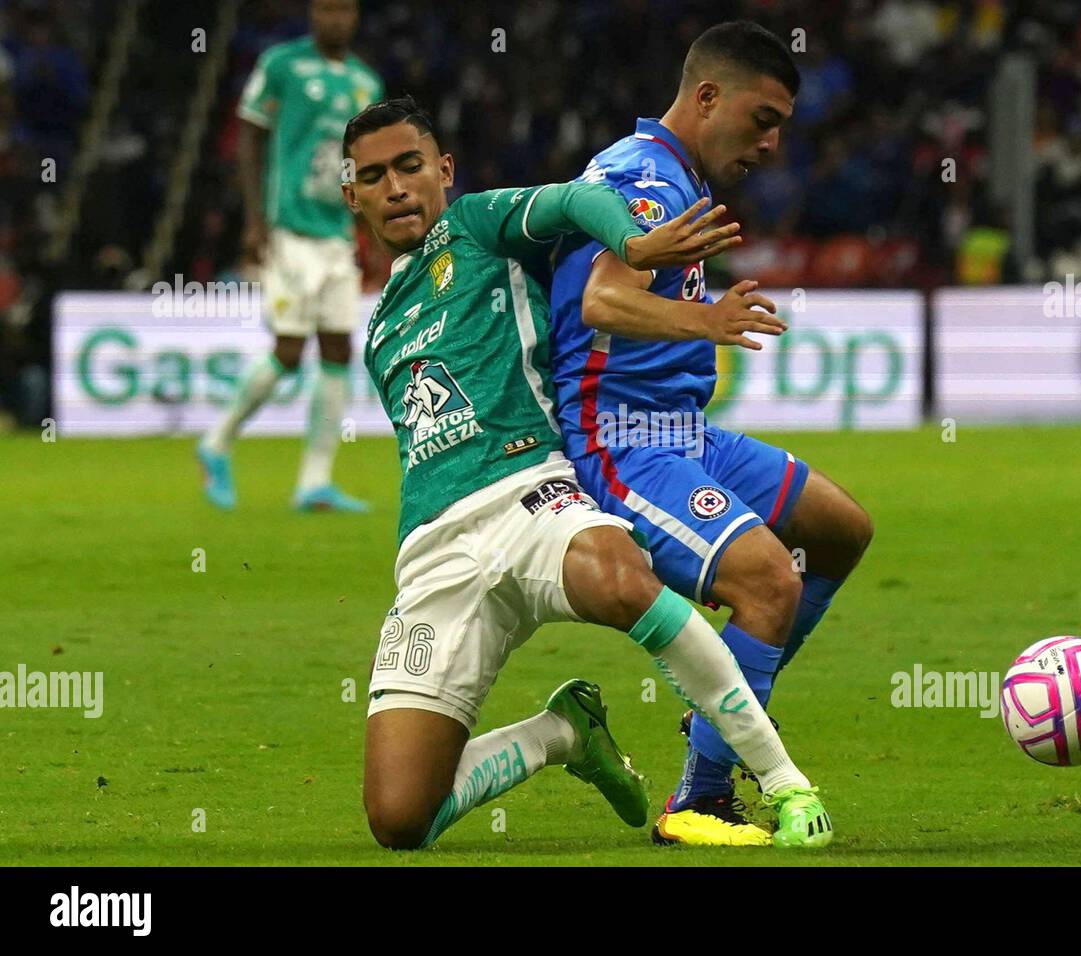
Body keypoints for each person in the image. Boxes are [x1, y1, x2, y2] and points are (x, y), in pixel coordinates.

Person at [342, 96, 833, 850]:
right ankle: (562, 735)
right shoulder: (379, 326)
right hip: (435, 553)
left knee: (621, 577)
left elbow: (578, 199)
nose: (396, 187)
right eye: (374, 177)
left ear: (443, 169)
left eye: (410, 166)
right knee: (400, 818)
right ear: (353, 196)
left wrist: (633, 247)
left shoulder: (478, 225)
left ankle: (785, 784)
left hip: (530, 494)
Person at [550, 21, 874, 846]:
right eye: (761, 120)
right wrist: (708, 317)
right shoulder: (644, 182)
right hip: (620, 442)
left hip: (686, 432)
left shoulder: (672, 175)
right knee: (769, 584)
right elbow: (603, 301)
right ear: (706, 97)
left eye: (781, 128)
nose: (771, 144)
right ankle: (700, 796)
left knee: (838, 531)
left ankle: (713, 722)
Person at [198, 0, 381, 512]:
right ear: (312, 13)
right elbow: (249, 138)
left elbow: (367, 167)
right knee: (289, 350)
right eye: (327, 9)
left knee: (339, 349)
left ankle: (314, 482)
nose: (337, 19)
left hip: (337, 237)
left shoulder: (367, 83)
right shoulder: (282, 64)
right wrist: (255, 220)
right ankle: (215, 442)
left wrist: (369, 236)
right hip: (290, 231)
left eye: (346, 10)